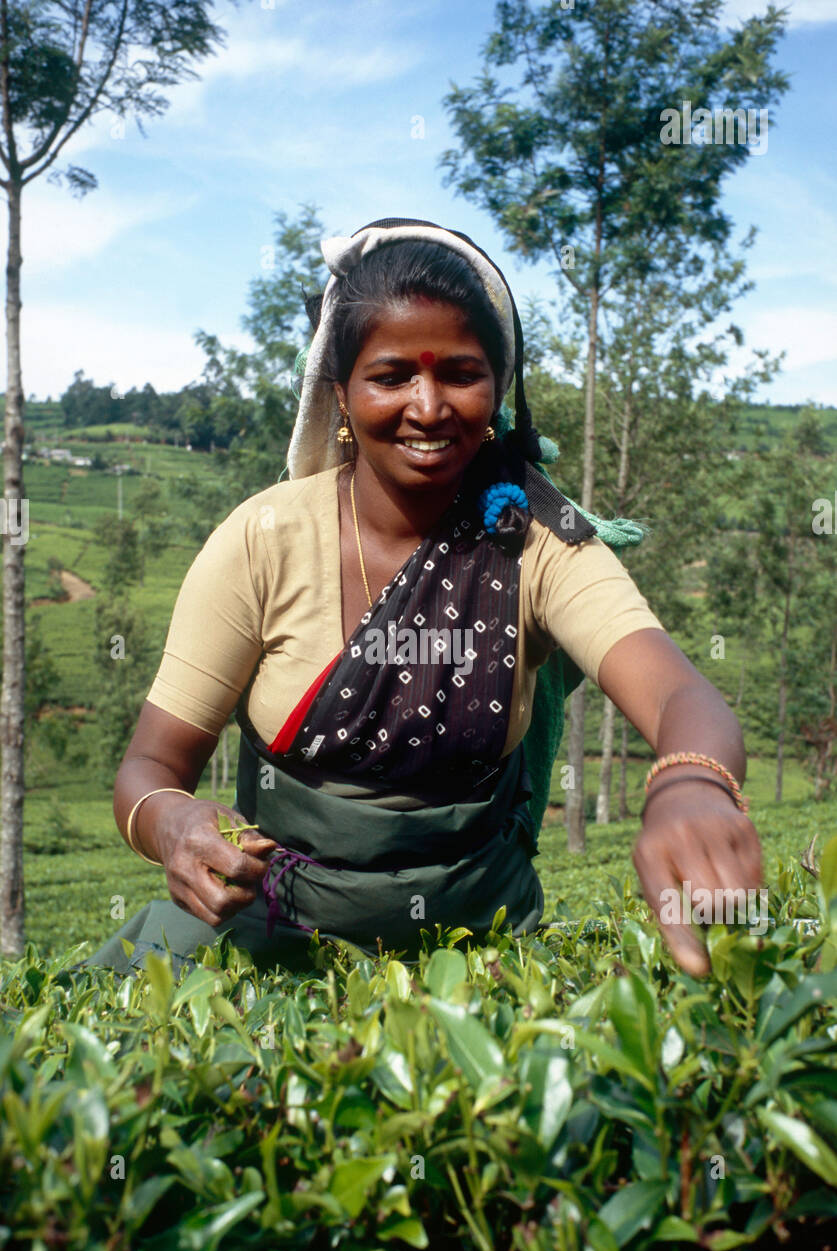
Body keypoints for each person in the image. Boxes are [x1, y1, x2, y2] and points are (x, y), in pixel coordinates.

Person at [85, 216, 762, 982]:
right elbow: (148, 764)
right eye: (392, 375)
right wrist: (171, 821)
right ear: (339, 394)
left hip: (479, 956)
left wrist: (688, 783)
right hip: (267, 941)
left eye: (461, 373)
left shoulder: (531, 539)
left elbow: (677, 690)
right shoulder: (263, 539)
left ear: (498, 388)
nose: (429, 406)